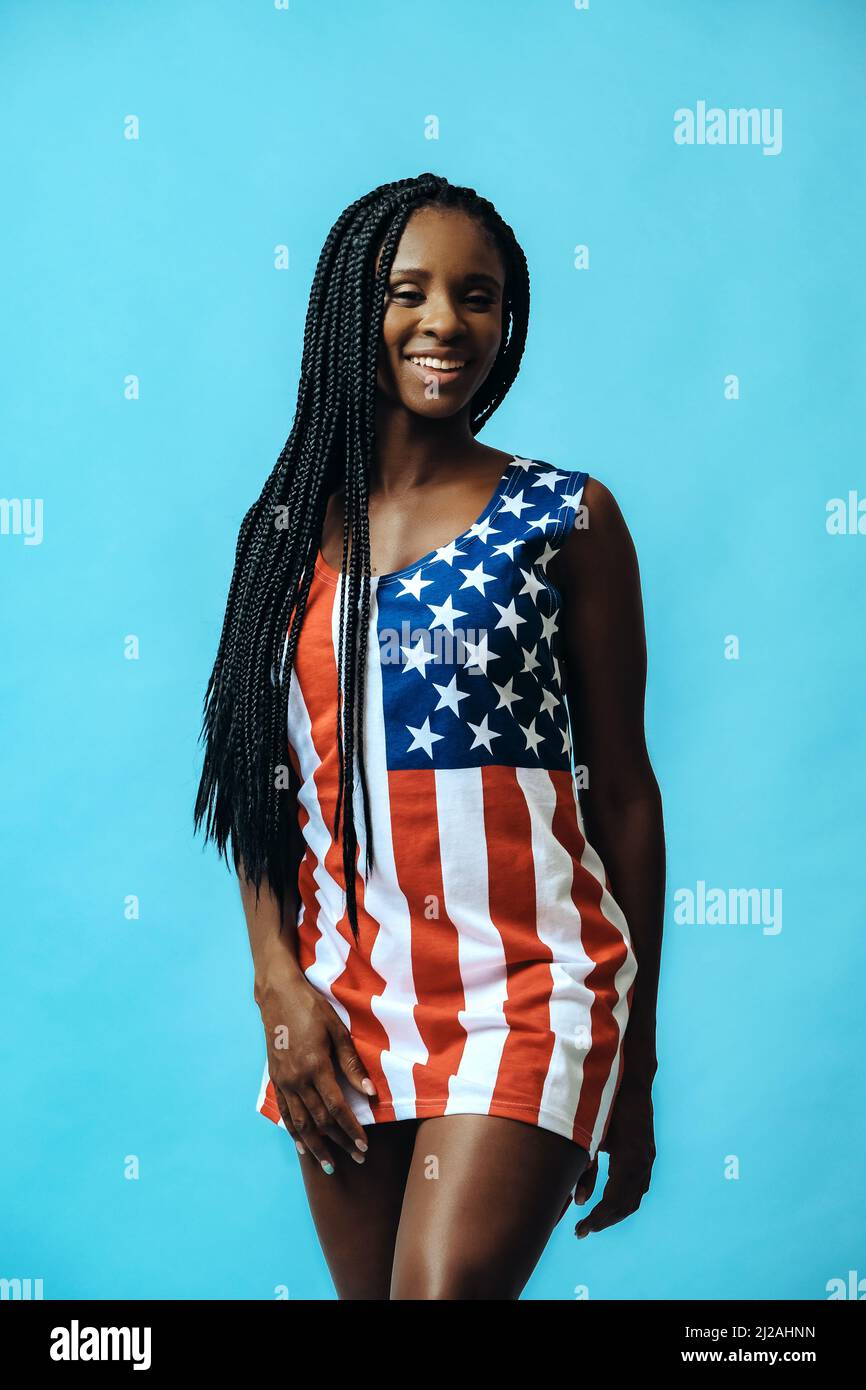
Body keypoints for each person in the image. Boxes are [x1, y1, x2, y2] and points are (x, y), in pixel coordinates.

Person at [194, 173, 665, 1301]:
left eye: (479, 296)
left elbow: (627, 801)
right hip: (345, 1006)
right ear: (349, 312)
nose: (445, 321)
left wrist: (633, 1068)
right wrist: (279, 990)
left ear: (508, 322)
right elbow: (259, 784)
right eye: (406, 291)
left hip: (530, 990)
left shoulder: (568, 518)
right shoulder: (276, 535)